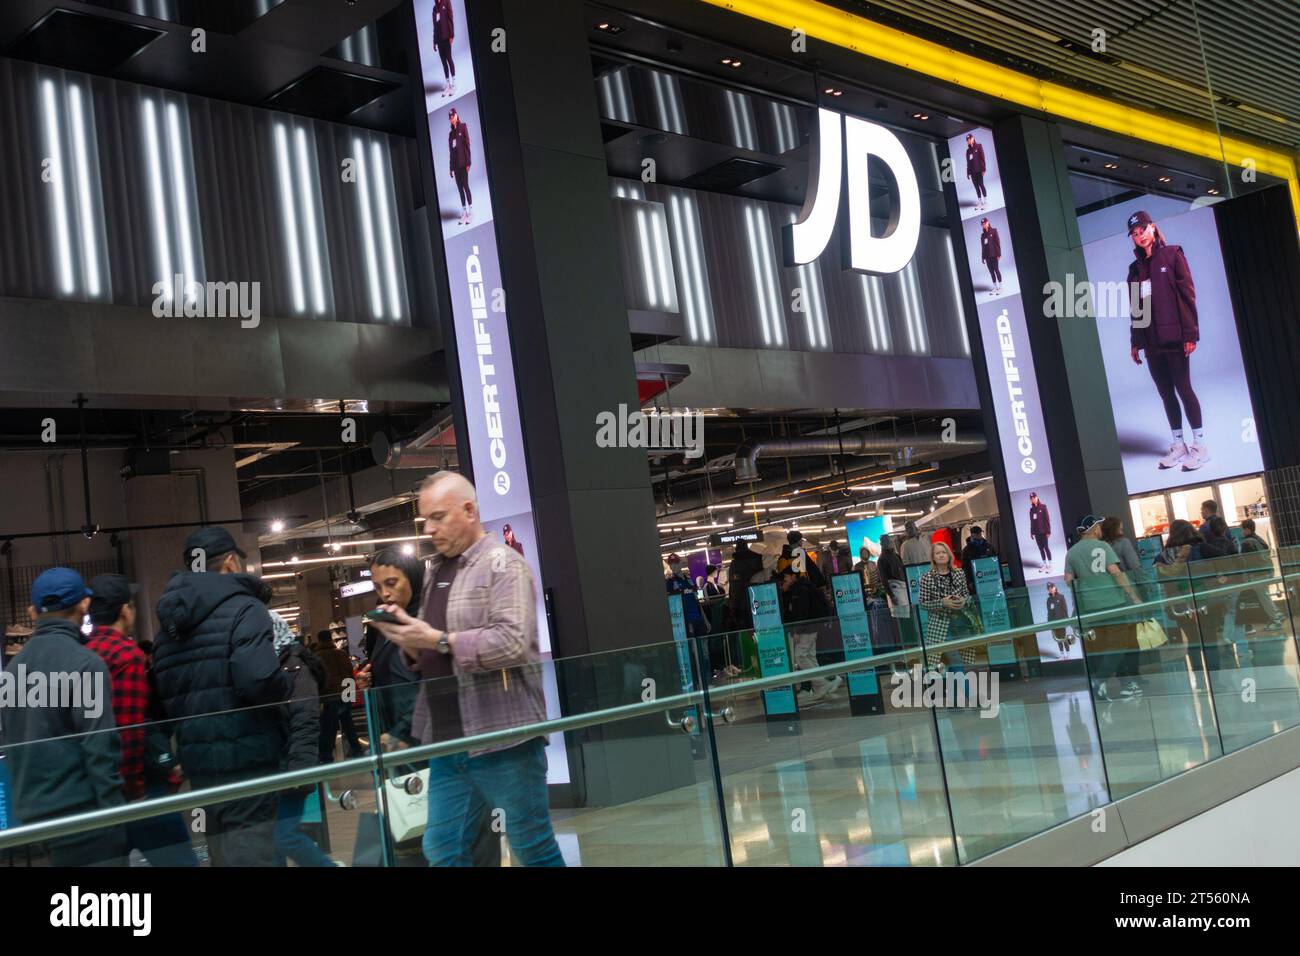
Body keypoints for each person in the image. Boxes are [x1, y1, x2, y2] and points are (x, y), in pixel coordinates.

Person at [372, 471, 564, 867]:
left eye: (439, 517)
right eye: (425, 519)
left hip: (504, 738)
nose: (430, 528)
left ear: (469, 511)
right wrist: (407, 640)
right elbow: (430, 649)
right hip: (448, 741)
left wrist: (439, 640)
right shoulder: (435, 573)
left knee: (532, 847)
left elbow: (511, 642)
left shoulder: (504, 566)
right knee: (442, 848)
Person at [153, 526, 292, 867]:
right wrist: (285, 685)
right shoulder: (245, 608)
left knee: (222, 855)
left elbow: (162, 700)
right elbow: (258, 678)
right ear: (230, 562)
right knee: (253, 853)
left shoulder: (168, 627)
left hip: (200, 767)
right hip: (248, 761)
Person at [1, 568, 126, 866]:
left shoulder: (12, 671)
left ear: (33, 611)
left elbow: (11, 739)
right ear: (84, 604)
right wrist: (115, 814)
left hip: (33, 815)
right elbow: (99, 745)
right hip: (83, 814)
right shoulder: (86, 664)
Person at [87, 574, 197, 867]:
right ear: (125, 610)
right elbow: (129, 728)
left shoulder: (81, 653)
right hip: (136, 789)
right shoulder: (126, 654)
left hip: (97, 789)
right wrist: (136, 791)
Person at [1126, 210, 1209, 472]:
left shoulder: (1173, 255)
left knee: (1184, 389)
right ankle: (1178, 445)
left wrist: (1190, 334)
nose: (1139, 237)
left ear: (1152, 227)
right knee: (1165, 394)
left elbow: (1188, 296)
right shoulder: (1135, 269)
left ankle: (1200, 446)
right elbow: (1136, 310)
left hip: (1174, 339)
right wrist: (1135, 342)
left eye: (1142, 230)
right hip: (1151, 343)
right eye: (1134, 234)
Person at [268, 611, 337, 868]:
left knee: (284, 836)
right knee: (272, 839)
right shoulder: (268, 668)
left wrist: (298, 773)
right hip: (275, 768)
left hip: (292, 767)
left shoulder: (297, 667)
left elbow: (306, 722)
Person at [1064, 515, 1143, 702]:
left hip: (1090, 606)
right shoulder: (1103, 547)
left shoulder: (1072, 552)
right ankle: (1099, 680)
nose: (1101, 529)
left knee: (1106, 646)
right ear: (1094, 529)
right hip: (1113, 603)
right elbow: (1116, 572)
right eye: (1099, 526)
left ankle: (1126, 685)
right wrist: (1133, 596)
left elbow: (1068, 581)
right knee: (1119, 644)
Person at [777, 567, 841, 705]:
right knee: (809, 656)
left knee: (800, 656)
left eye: (786, 577)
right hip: (813, 626)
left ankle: (823, 682)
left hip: (807, 628)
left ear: (793, 576)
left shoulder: (800, 590)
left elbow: (802, 612)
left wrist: (798, 631)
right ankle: (822, 685)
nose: (784, 581)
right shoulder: (803, 586)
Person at [917, 541, 972, 671]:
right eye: (938, 553)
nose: (941, 555)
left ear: (949, 554)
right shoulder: (927, 578)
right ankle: (967, 692)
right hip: (941, 626)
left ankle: (954, 691)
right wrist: (943, 602)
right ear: (933, 557)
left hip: (961, 622)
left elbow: (967, 595)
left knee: (962, 661)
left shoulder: (959, 573)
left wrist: (964, 601)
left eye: (944, 552)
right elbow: (923, 604)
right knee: (956, 660)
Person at [316, 629, 366, 762]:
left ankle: (326, 755)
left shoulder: (317, 657)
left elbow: (318, 680)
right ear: (331, 639)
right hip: (345, 693)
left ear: (319, 640)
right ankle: (356, 749)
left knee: (328, 727)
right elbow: (349, 674)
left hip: (328, 696)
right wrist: (350, 695)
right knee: (348, 723)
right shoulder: (342, 654)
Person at [665, 553, 709, 638]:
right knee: (693, 647)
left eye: (676, 563)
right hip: (685, 622)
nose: (673, 566)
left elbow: (697, 601)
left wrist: (705, 620)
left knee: (704, 645)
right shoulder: (669, 583)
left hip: (698, 619)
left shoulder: (690, 580)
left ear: (680, 564)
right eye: (671, 564)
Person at [724, 540, 763, 629]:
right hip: (760, 600)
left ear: (736, 548)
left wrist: (734, 606)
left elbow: (736, 587)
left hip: (743, 604)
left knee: (747, 632)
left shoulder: (736, 564)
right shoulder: (758, 560)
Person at [448, 108, 473, 226]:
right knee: (459, 188)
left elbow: (467, 145)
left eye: (453, 117)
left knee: (465, 186)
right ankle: (464, 212)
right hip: (456, 166)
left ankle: (471, 212)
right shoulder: (450, 134)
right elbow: (451, 153)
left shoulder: (463, 127)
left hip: (463, 165)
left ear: (456, 116)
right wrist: (450, 168)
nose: (451, 119)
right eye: (450, 118)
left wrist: (468, 162)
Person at [877, 534, 909, 613]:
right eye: (885, 541)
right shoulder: (881, 559)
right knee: (901, 615)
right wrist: (891, 595)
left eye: (889, 540)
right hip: (894, 589)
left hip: (904, 587)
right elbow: (883, 579)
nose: (888, 542)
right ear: (881, 544)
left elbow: (903, 571)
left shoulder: (896, 556)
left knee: (907, 613)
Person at [960, 525, 994, 593]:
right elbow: (965, 567)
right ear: (972, 534)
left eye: (980, 533)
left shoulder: (989, 546)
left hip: (990, 577)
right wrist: (969, 581)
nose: (979, 535)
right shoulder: (966, 550)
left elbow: (995, 561)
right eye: (977, 534)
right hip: (975, 579)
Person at [432, 0, 455, 97]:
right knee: (443, 62)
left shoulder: (446, 2)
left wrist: (451, 35)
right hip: (439, 39)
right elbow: (435, 26)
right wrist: (434, 41)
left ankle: (453, 84)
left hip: (446, 37)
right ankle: (447, 84)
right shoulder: (434, 8)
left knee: (449, 59)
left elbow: (450, 18)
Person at [1045, 582, 1072, 657]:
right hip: (1053, 622)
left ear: (1055, 587)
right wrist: (1049, 623)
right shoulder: (1049, 600)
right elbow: (1049, 612)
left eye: (1052, 588)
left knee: (1063, 637)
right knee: (1057, 638)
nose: (1050, 590)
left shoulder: (1061, 597)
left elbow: (1065, 609)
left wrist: (1066, 621)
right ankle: (1062, 654)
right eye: (1049, 589)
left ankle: (1068, 653)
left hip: (1061, 621)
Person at [1028, 492, 1052, 570]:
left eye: (1034, 498)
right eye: (1031, 499)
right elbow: (1032, 522)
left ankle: (1050, 564)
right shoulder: (1031, 510)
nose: (1033, 499)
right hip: (1036, 532)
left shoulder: (1043, 507)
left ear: (1037, 497)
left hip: (1044, 532)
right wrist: (1031, 532)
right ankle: (1044, 564)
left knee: (1046, 547)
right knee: (1040, 548)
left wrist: (1048, 531)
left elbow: (1047, 520)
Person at [965, 132, 987, 212]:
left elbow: (982, 158)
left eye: (970, 139)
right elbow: (968, 162)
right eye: (967, 140)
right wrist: (968, 173)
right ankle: (980, 202)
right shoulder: (968, 151)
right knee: (976, 187)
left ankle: (985, 202)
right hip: (972, 172)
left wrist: (983, 169)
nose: (969, 141)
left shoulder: (979, 146)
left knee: (981, 185)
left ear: (973, 138)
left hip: (979, 171)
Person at [980, 217, 1002, 295]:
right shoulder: (983, 235)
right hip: (987, 257)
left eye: (985, 223)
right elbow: (983, 247)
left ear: (988, 223)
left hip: (994, 256)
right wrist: (983, 257)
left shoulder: (994, 231)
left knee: (996, 270)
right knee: (991, 272)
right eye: (982, 224)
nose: (984, 225)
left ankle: (1001, 287)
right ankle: (995, 287)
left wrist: (999, 254)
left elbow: (997, 243)